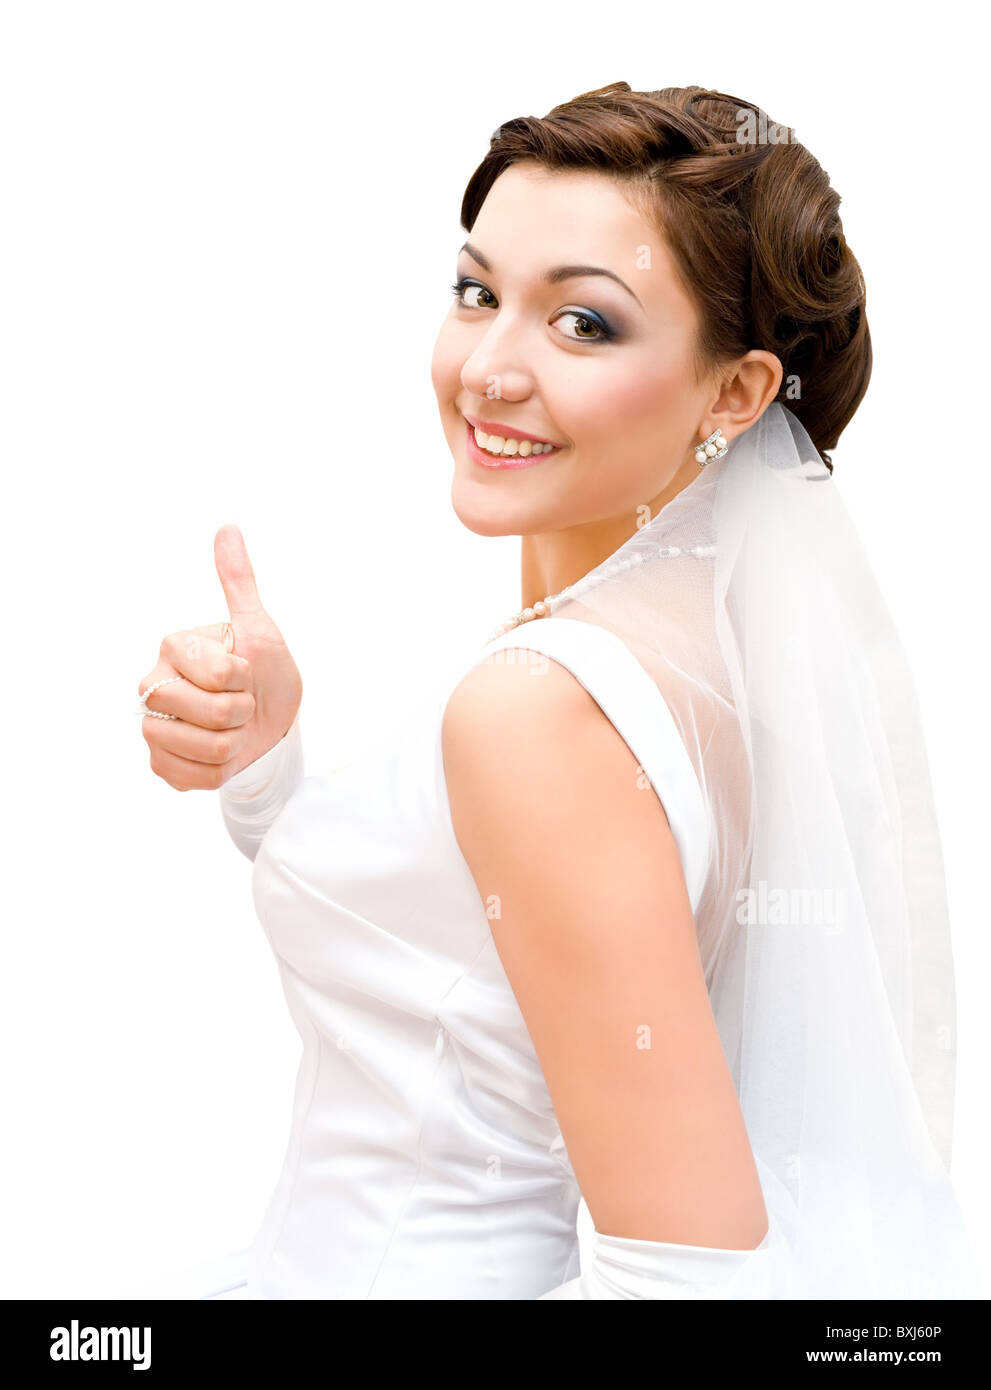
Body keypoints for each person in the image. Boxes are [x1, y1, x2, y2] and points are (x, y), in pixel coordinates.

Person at [134, 82, 980, 1299]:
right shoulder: (699, 648)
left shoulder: (541, 704)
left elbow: (685, 1276)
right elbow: (473, 966)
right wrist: (270, 773)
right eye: (477, 293)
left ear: (737, 394)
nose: (486, 369)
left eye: (582, 324)